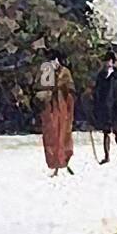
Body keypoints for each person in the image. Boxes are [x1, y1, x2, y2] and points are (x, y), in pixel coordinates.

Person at [37, 48, 75, 177]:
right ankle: (55, 163)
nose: (52, 63)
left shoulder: (65, 72)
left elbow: (70, 88)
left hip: (62, 105)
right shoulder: (46, 71)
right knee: (51, 133)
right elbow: (43, 87)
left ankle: (65, 160)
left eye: (54, 60)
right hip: (51, 107)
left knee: (63, 133)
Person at [92, 50, 117, 164]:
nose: (107, 63)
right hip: (104, 107)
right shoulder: (101, 75)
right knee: (106, 132)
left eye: (109, 61)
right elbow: (97, 90)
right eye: (106, 61)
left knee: (116, 131)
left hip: (115, 107)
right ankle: (107, 156)